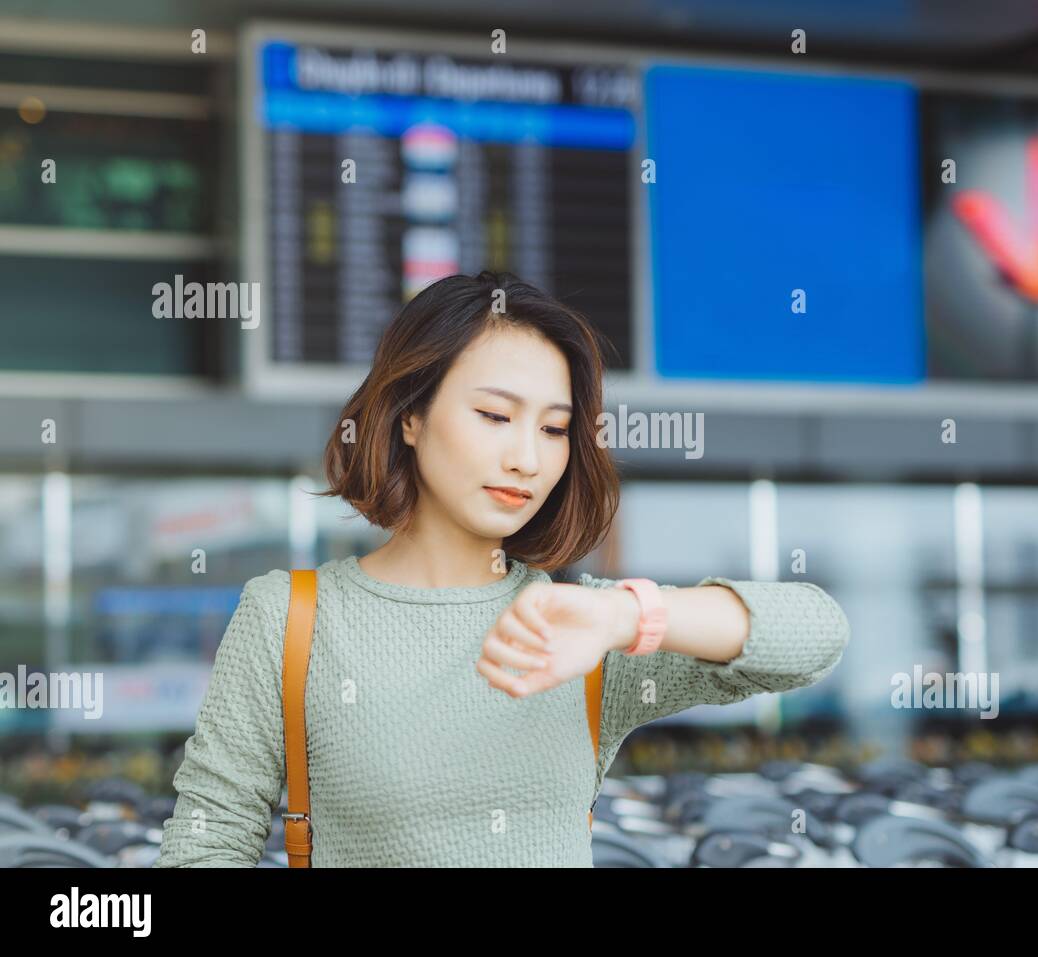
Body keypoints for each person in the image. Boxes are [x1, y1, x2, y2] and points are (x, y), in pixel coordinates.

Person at [155, 270, 850, 867]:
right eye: (495, 415)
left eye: (553, 428)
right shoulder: (291, 617)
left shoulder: (580, 628)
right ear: (410, 416)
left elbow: (816, 636)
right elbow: (203, 845)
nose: (529, 457)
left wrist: (627, 614)